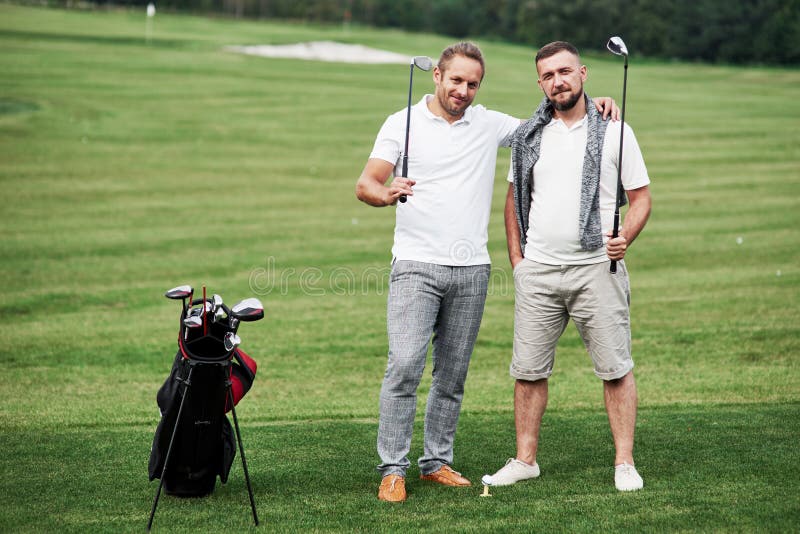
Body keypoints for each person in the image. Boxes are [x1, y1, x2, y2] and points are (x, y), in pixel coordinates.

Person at [355, 41, 619, 503]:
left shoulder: (489, 123)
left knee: (452, 375)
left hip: (473, 269)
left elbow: (549, 122)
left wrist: (595, 105)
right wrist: (387, 192)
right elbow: (366, 184)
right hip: (416, 265)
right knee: (404, 367)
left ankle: (436, 462)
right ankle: (392, 469)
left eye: (472, 84)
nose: (463, 91)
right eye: (456, 80)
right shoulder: (403, 123)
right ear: (437, 75)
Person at [481, 41, 652, 492]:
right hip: (539, 271)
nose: (558, 80)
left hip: (598, 269)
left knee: (615, 368)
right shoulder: (529, 135)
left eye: (565, 71)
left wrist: (624, 239)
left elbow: (641, 199)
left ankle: (624, 463)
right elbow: (513, 202)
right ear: (540, 83)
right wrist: (518, 261)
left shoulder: (616, 130)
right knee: (528, 371)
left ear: (583, 73)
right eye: (548, 75)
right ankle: (524, 460)